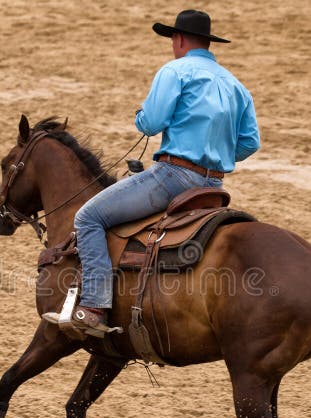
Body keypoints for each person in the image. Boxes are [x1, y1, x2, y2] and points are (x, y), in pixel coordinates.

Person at [71, 9, 261, 335]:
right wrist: (216, 151)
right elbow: (249, 143)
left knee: (88, 218)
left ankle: (94, 306)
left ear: (179, 39)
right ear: (207, 42)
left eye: (173, 39)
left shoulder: (175, 71)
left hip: (174, 178)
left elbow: (152, 122)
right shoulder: (237, 86)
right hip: (213, 186)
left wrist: (141, 117)